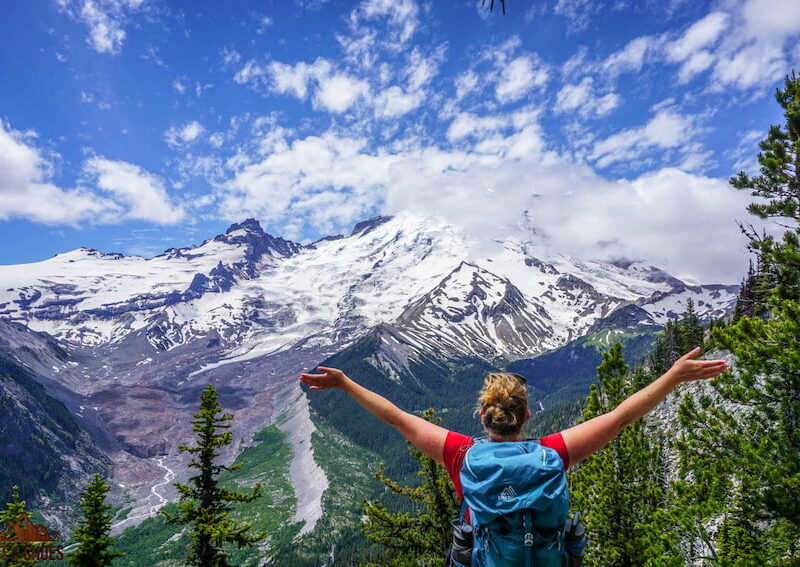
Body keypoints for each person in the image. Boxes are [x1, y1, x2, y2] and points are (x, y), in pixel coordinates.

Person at [298, 346, 729, 479]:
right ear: (526, 418)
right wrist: (672, 376)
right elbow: (619, 416)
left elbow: (395, 416)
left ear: (481, 416)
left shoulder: (460, 455)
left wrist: (344, 382)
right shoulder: (553, 453)